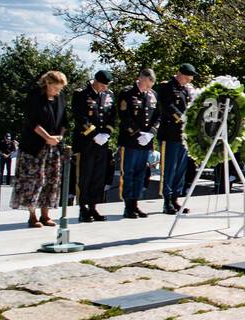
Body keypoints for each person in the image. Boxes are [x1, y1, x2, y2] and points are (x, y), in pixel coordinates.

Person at [12, 70, 69, 228]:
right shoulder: (35, 96)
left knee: (52, 181)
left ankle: (46, 214)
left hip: (53, 147)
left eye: (60, 89)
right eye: (56, 88)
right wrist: (47, 138)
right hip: (34, 147)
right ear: (48, 83)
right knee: (35, 181)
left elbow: (64, 121)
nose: (58, 91)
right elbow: (33, 122)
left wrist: (59, 136)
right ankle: (33, 215)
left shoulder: (60, 98)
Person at [72, 69, 117, 222]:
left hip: (102, 143)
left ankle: (93, 207)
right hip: (86, 142)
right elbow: (80, 118)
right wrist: (94, 134)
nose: (105, 88)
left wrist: (106, 134)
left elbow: (112, 117)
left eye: (107, 85)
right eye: (103, 85)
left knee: (98, 176)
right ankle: (83, 208)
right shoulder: (81, 94)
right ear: (96, 81)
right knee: (85, 176)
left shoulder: (109, 95)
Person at [118, 68, 159, 218]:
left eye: (151, 85)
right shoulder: (127, 93)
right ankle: (128, 205)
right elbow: (124, 115)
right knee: (128, 173)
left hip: (146, 141)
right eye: (148, 84)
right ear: (141, 78)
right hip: (130, 140)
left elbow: (157, 116)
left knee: (140, 174)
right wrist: (136, 133)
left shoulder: (153, 95)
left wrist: (151, 134)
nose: (149, 88)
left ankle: (135, 203)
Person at [156, 64, 196, 215]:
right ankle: (166, 201)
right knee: (169, 169)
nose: (188, 81)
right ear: (179, 74)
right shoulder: (166, 87)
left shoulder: (185, 90)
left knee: (180, 169)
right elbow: (167, 106)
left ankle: (175, 199)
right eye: (186, 77)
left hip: (182, 136)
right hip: (169, 134)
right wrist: (182, 118)